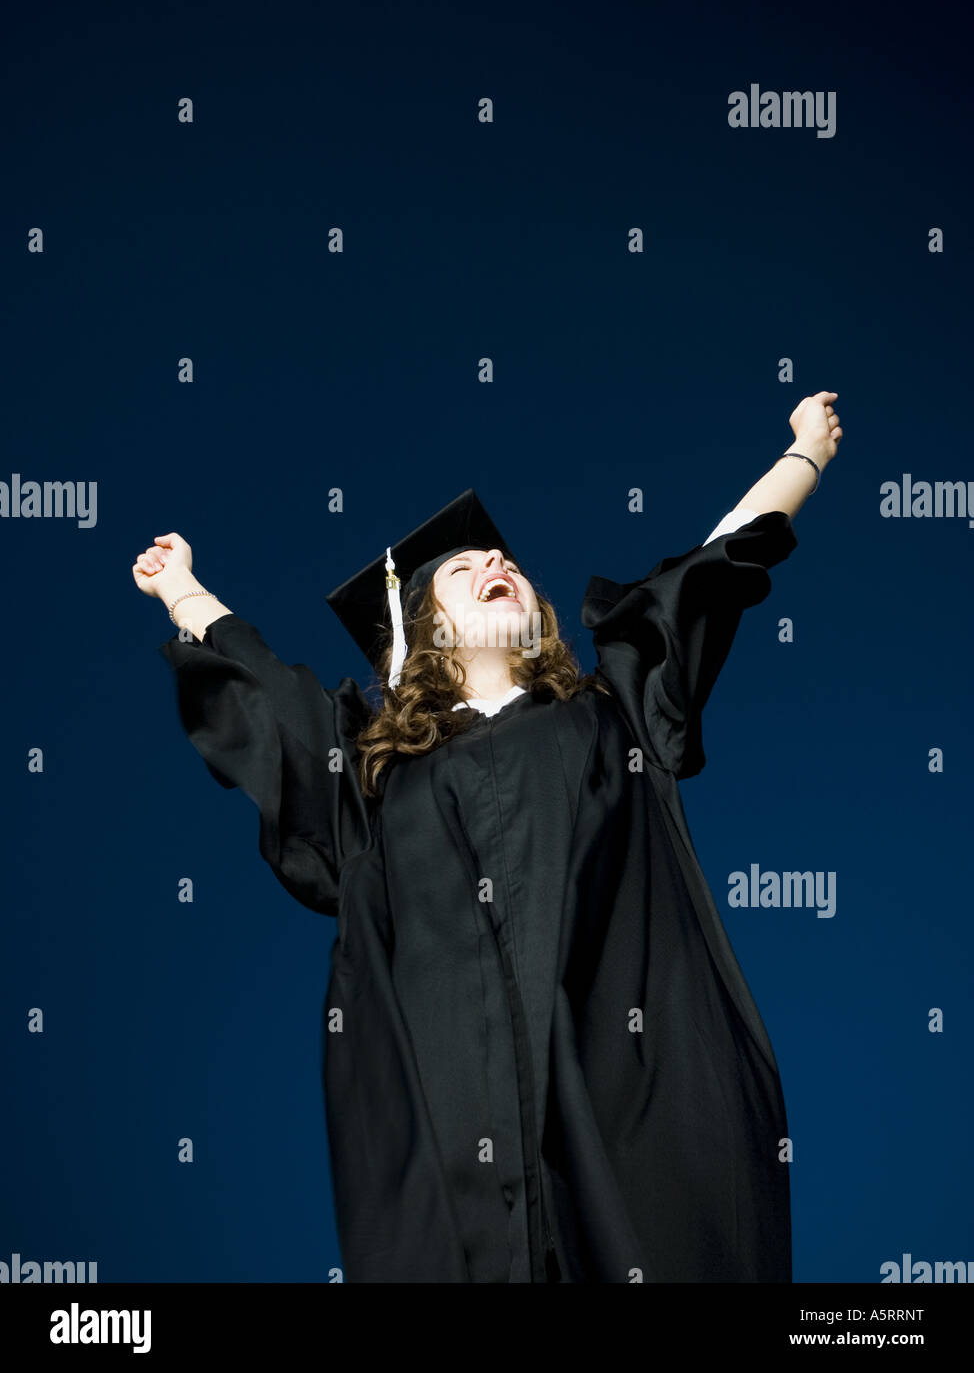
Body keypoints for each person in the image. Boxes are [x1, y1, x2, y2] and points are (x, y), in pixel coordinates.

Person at [135, 391, 843, 1284]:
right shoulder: (374, 783)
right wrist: (183, 591)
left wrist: (804, 455)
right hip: (455, 1149)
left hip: (631, 1108)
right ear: (421, 630)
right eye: (463, 569)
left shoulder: (615, 715)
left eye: (502, 558)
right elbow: (273, 704)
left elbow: (706, 573)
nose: (497, 560)